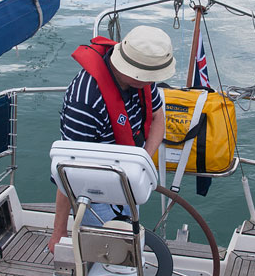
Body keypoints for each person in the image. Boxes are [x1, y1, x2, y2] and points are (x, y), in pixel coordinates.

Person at [46, 25, 174, 254]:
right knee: (106, 258)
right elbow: (67, 171)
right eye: (145, 77)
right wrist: (59, 233)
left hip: (128, 182)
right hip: (94, 196)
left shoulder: (143, 78)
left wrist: (141, 161)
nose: (150, 82)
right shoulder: (86, 101)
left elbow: (157, 117)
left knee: (126, 250)